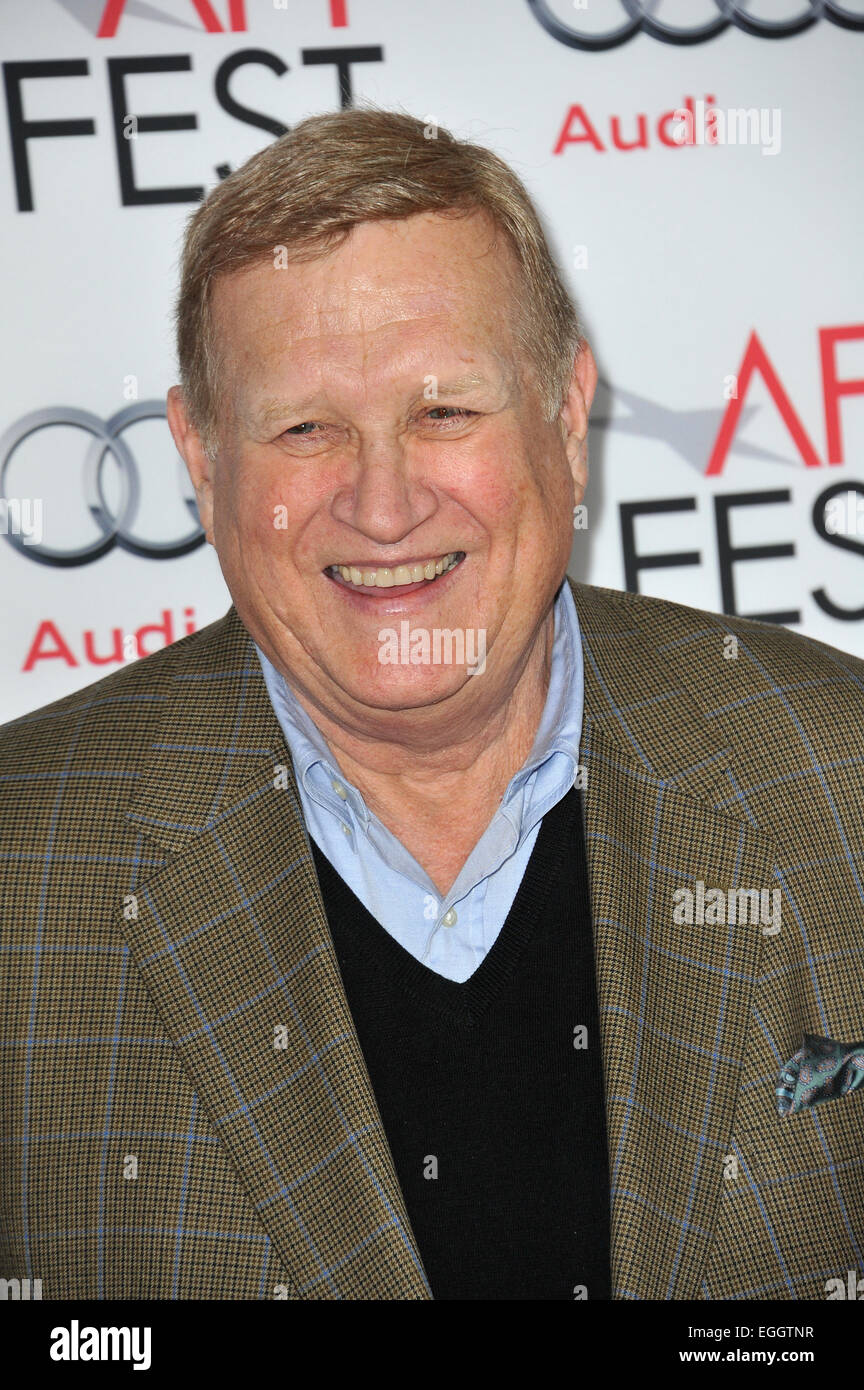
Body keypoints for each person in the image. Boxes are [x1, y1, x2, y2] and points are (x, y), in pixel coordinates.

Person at [1, 107, 862, 1302]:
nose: (387, 504)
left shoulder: (839, 771)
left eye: (444, 411)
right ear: (202, 462)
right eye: (306, 428)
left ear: (567, 416)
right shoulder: (21, 870)